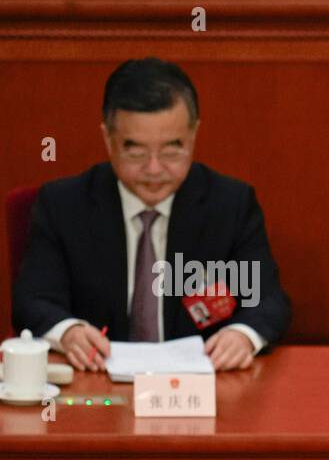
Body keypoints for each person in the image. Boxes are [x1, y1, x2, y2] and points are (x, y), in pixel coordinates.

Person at [12, 58, 292, 371]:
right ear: (108, 139)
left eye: (172, 149)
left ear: (194, 135)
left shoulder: (229, 205)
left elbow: (268, 301)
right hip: (96, 380)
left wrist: (242, 335)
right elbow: (32, 301)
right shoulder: (64, 205)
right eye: (136, 151)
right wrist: (69, 332)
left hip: (202, 390)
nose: (154, 169)